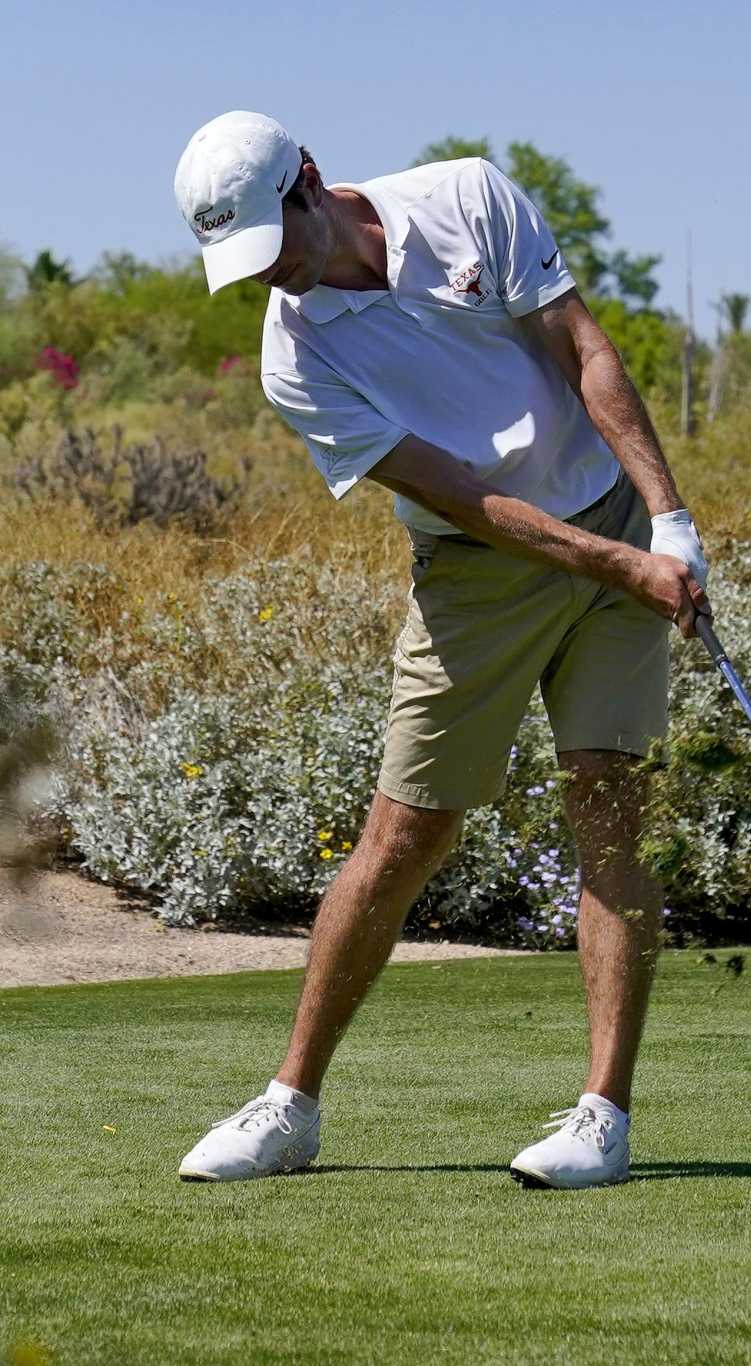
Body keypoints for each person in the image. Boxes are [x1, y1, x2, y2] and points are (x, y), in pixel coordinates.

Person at [168, 111, 709, 1189]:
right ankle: (291, 1105)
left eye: (272, 243)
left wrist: (668, 522)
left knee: (608, 805)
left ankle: (603, 1115)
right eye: (243, 265)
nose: (269, 277)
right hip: (477, 570)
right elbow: (462, 496)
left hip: (612, 516)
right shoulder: (296, 358)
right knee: (405, 833)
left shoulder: (466, 197)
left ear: (309, 183)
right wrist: (620, 565)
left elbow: (586, 351)